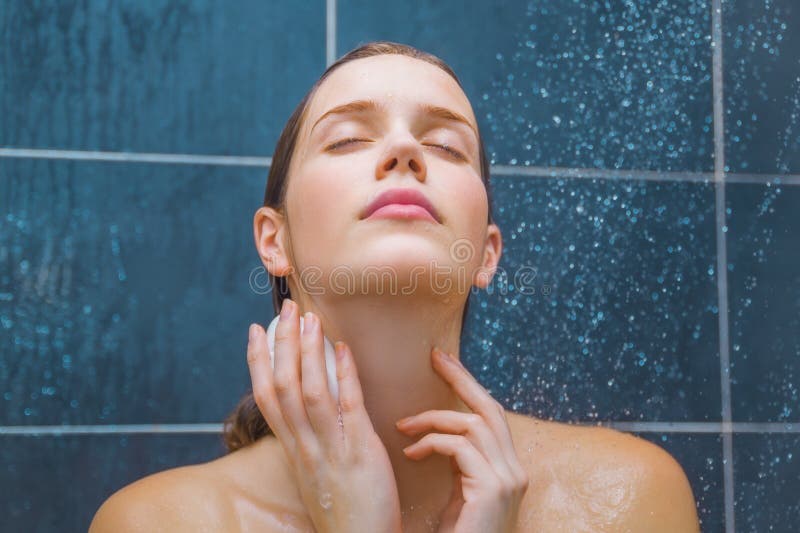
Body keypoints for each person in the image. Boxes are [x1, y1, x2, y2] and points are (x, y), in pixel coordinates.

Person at [89, 41, 701, 532]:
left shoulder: (625, 500)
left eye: (446, 146)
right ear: (275, 241)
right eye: (348, 139)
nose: (405, 149)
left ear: (486, 253)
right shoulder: (156, 523)